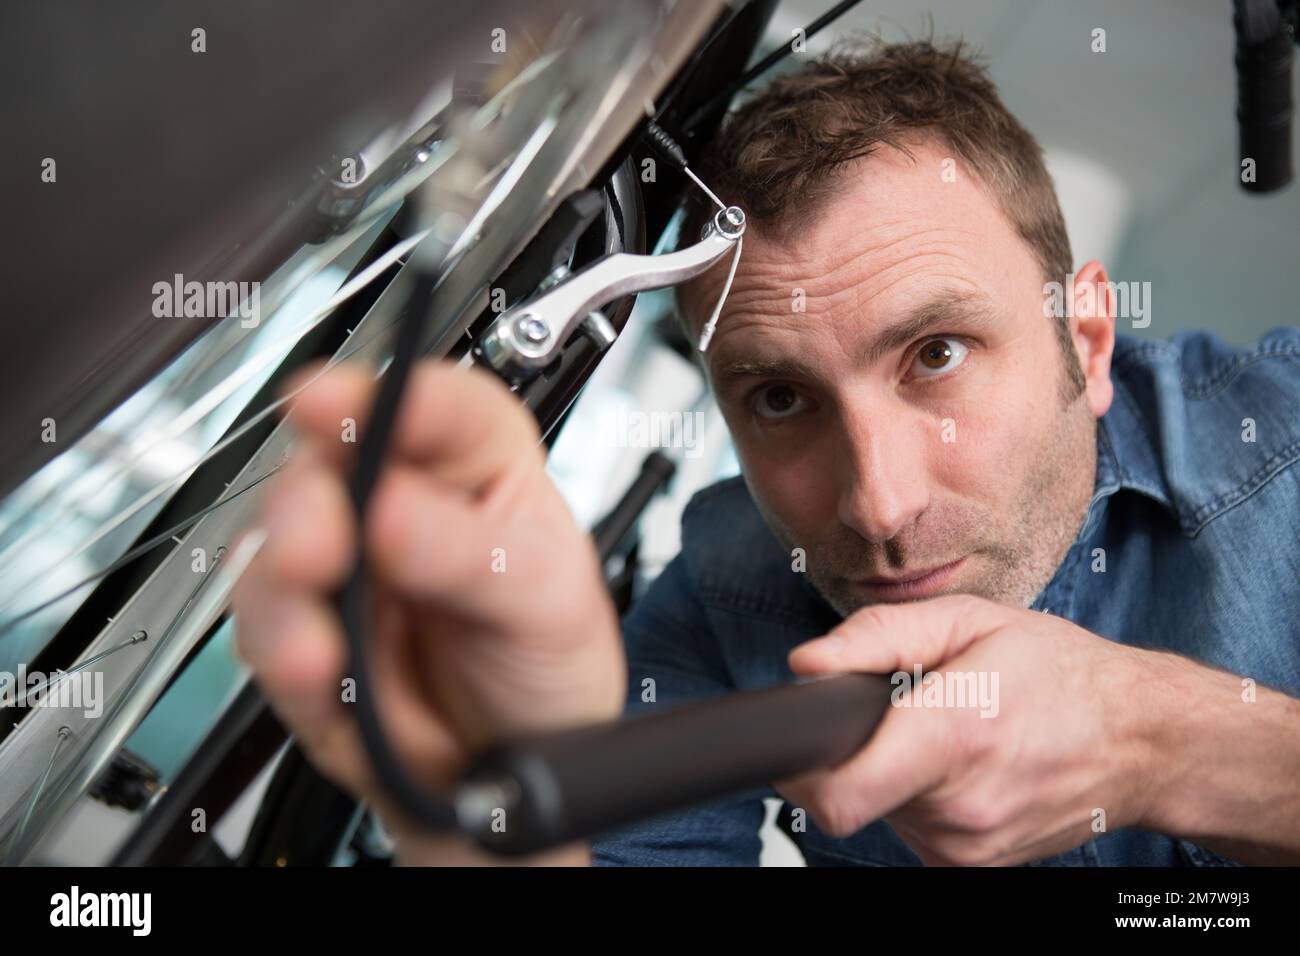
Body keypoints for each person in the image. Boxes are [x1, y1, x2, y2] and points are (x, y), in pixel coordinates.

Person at [232, 38, 1300, 866]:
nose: (877, 507)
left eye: (935, 352)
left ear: (1088, 336)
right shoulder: (717, 603)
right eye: (780, 395)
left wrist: (1163, 741)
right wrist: (489, 810)